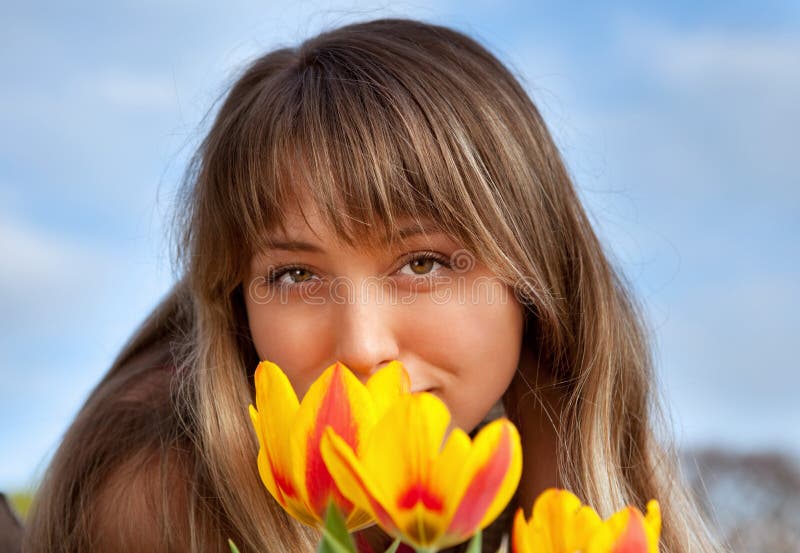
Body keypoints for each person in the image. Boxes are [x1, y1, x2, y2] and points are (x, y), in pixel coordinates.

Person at [22, 17, 723, 553]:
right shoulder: (155, 485)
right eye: (295, 274)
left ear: (535, 280)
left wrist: (555, 455)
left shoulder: (572, 453)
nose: (360, 347)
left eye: (422, 264)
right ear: (235, 299)